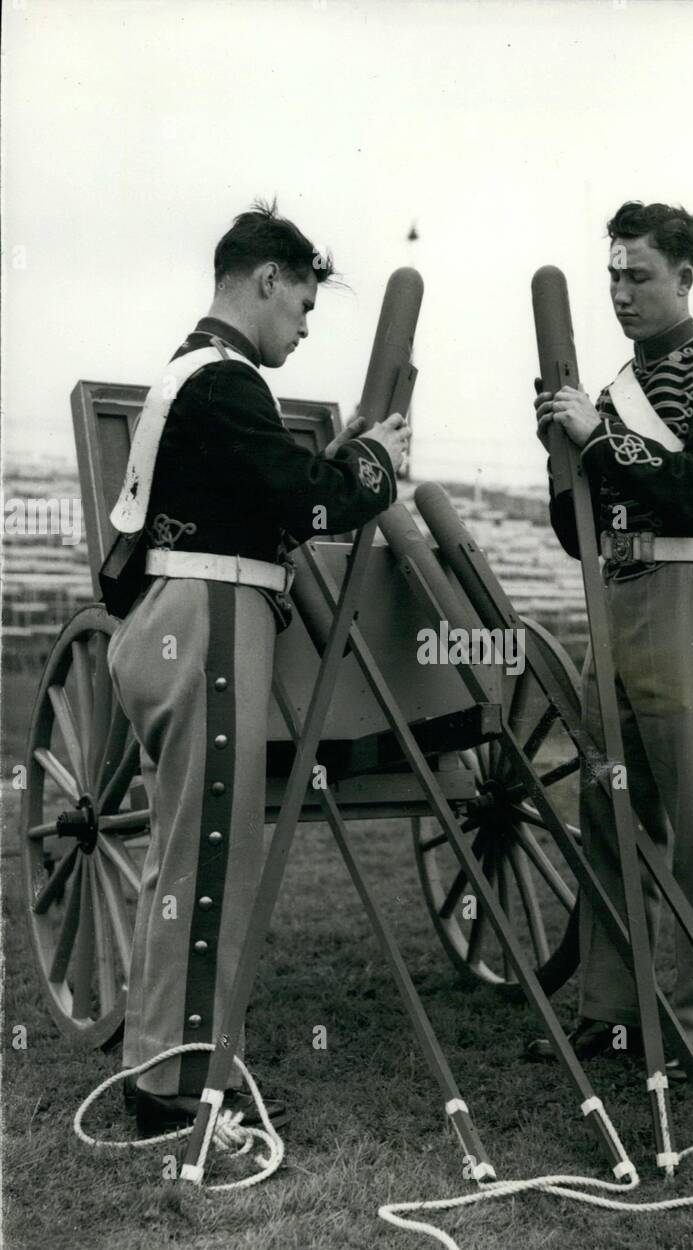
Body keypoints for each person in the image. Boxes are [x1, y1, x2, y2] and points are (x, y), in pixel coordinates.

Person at [106, 201, 409, 1136]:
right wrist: (375, 466)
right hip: (213, 618)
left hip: (176, 617)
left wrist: (344, 452)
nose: (307, 323)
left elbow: (259, 491)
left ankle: (174, 1063)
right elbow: (303, 499)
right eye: (304, 302)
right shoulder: (228, 382)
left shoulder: (194, 377)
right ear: (266, 280)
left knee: (188, 851)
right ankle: (171, 1088)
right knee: (209, 860)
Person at [527, 202, 693, 1083]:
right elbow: (572, 530)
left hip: (686, 592)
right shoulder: (608, 392)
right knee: (609, 813)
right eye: (614, 277)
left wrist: (603, 440)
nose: (622, 293)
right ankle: (613, 1009)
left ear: (685, 279)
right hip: (613, 593)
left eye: (640, 277)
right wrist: (563, 457)